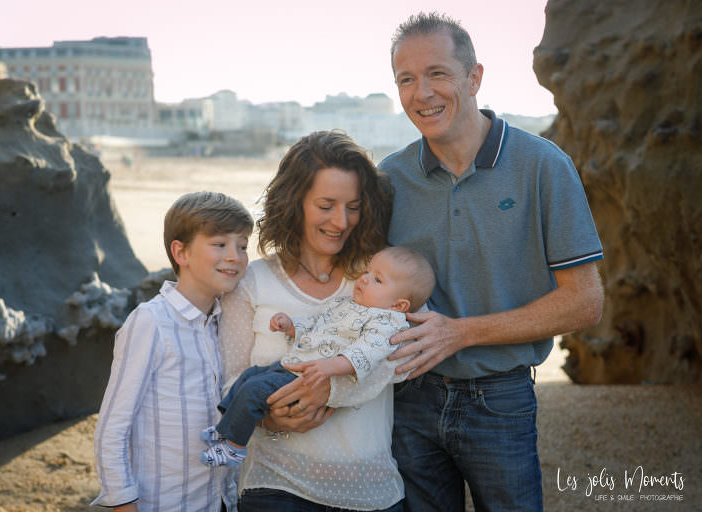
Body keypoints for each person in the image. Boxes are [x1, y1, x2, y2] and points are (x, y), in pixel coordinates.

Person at [377, 12, 606, 512]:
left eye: (437, 73)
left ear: (474, 76)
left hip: (499, 399)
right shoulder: (389, 178)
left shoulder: (544, 166)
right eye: (406, 79)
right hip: (406, 397)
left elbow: (585, 303)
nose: (422, 93)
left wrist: (459, 333)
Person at [218, 130, 405, 511]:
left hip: (370, 488)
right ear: (295, 202)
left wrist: (330, 390)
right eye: (326, 205)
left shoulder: (380, 280)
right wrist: (271, 420)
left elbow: (401, 362)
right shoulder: (252, 281)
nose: (341, 221)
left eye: (353, 206)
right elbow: (232, 380)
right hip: (275, 486)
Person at [92, 191, 253, 512]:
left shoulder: (227, 322)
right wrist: (124, 502)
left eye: (244, 245)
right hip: (164, 502)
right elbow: (112, 428)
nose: (235, 256)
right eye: (220, 244)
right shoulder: (151, 322)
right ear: (181, 252)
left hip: (219, 500)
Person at [201, 246, 435, 468]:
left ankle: (234, 447)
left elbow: (367, 351)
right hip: (294, 364)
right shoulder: (349, 305)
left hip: (306, 377)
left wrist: (331, 367)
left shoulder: (386, 323)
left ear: (399, 304)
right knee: (249, 376)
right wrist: (292, 326)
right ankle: (227, 428)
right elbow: (319, 325)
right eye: (367, 271)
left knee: (254, 390)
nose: (364, 279)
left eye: (378, 279)